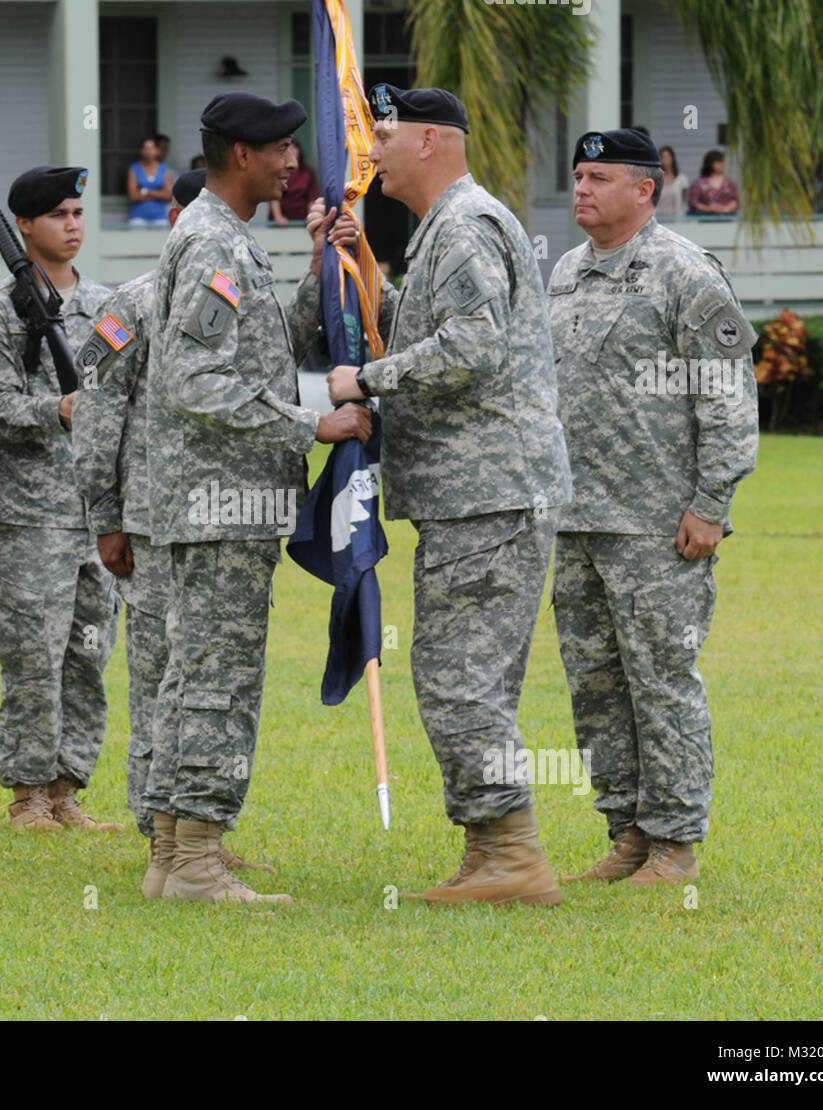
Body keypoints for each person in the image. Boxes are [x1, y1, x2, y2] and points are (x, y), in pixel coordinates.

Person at [323, 84, 573, 907]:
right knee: (473, 677)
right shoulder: (449, 228)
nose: (374, 148)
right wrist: (361, 270)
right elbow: (437, 324)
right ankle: (488, 847)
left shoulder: (465, 225)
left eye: (385, 133)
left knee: (458, 676)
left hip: (488, 495)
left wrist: (368, 378)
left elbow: (471, 347)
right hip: (478, 495)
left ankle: (514, 855)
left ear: (431, 141)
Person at [145, 91, 372, 905]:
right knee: (218, 679)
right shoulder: (211, 240)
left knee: (192, 674)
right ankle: (197, 862)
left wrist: (323, 263)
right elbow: (193, 377)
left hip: (221, 499)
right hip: (219, 501)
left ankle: (173, 854)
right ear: (241, 155)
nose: (292, 163)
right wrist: (312, 426)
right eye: (279, 149)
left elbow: (268, 345)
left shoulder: (225, 236)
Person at [548, 129, 758, 884]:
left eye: (599, 177)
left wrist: (710, 502)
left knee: (661, 680)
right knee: (596, 685)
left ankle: (674, 843)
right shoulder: (567, 272)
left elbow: (729, 396)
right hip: (576, 520)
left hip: (657, 523)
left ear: (646, 188)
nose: (582, 189)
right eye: (577, 175)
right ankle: (628, 833)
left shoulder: (682, 272)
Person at [71, 168, 280, 890]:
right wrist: (103, 517)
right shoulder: (130, 306)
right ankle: (161, 838)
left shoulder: (235, 286)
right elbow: (97, 415)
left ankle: (187, 841)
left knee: (186, 673)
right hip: (153, 520)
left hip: (205, 509)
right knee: (165, 674)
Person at [0, 164, 122, 832]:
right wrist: (56, 411)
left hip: (94, 511)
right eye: (59, 214)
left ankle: (67, 789)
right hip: (29, 512)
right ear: (25, 226)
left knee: (88, 655)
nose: (72, 225)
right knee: (33, 655)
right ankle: (28, 794)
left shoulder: (106, 304)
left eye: (78, 213)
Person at [269, 139, 318, 226]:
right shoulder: (279, 171)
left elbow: (312, 197)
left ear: (299, 151)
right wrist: (278, 217)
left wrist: (311, 217)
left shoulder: (307, 172)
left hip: (301, 221)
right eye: (286, 149)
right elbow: (274, 196)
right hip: (280, 223)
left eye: (293, 148)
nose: (291, 152)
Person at [127, 137, 173, 228]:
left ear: (157, 151)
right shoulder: (134, 169)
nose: (149, 152)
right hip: (138, 217)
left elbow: (168, 195)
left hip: (160, 217)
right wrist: (159, 194)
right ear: (141, 151)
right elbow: (133, 196)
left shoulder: (165, 169)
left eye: (151, 148)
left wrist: (146, 192)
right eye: (146, 148)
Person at [687, 149, 739, 216]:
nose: (723, 164)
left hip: (726, 220)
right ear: (711, 164)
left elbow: (735, 201)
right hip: (705, 219)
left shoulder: (729, 183)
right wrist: (709, 209)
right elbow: (693, 202)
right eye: (720, 162)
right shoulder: (699, 183)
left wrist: (725, 209)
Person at [655, 146, 688, 221]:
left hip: (676, 220)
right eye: (662, 157)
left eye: (667, 157)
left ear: (672, 158)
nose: (665, 160)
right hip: (659, 219)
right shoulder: (656, 179)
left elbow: (683, 199)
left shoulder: (681, 179)